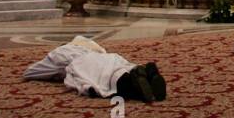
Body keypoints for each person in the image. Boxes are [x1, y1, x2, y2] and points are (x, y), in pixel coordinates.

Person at [23, 37, 167, 102]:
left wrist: (56, 73)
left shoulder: (60, 53)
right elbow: (100, 50)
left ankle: (138, 88)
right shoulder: (90, 45)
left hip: (85, 63)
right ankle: (149, 72)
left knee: (106, 82)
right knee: (123, 67)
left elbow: (31, 72)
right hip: (109, 58)